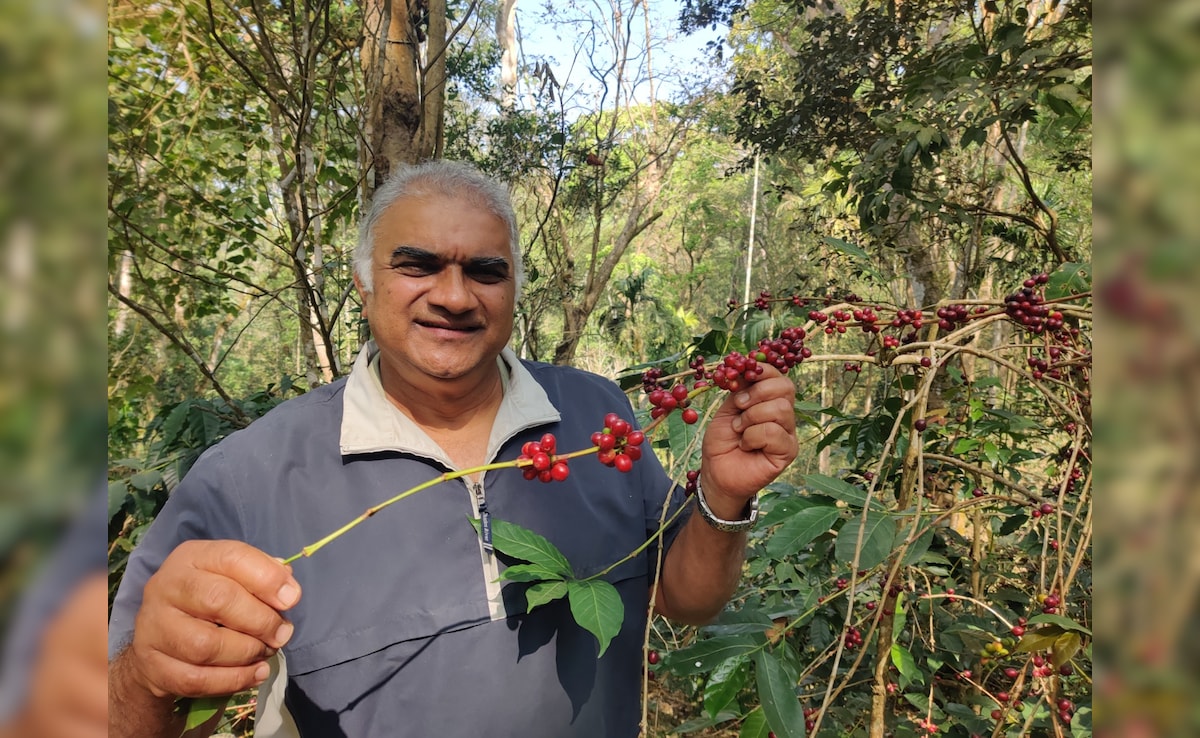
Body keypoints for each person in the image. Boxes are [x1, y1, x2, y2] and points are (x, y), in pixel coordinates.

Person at [107, 160, 798, 737]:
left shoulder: (596, 416)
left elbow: (683, 597)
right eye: (418, 265)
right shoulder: (246, 479)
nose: (455, 296)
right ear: (364, 283)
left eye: (486, 272)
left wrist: (723, 495)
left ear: (515, 289)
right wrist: (147, 675)